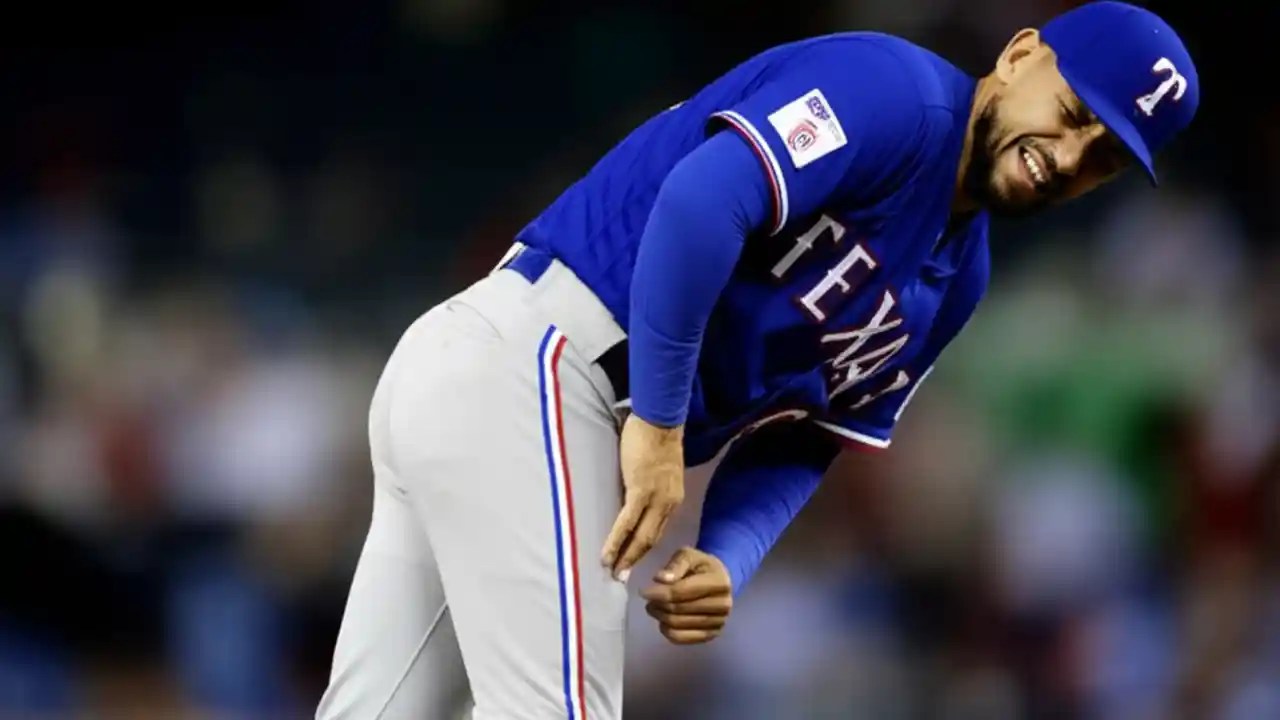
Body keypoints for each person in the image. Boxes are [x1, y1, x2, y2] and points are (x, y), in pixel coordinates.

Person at [316, 2, 1199, 717]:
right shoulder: (897, 95)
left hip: (509, 394)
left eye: (1107, 159)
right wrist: (660, 424)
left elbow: (814, 432)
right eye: (1076, 113)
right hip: (542, 363)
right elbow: (703, 200)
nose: (1073, 157)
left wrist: (728, 556)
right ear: (1018, 57)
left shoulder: (959, 277)